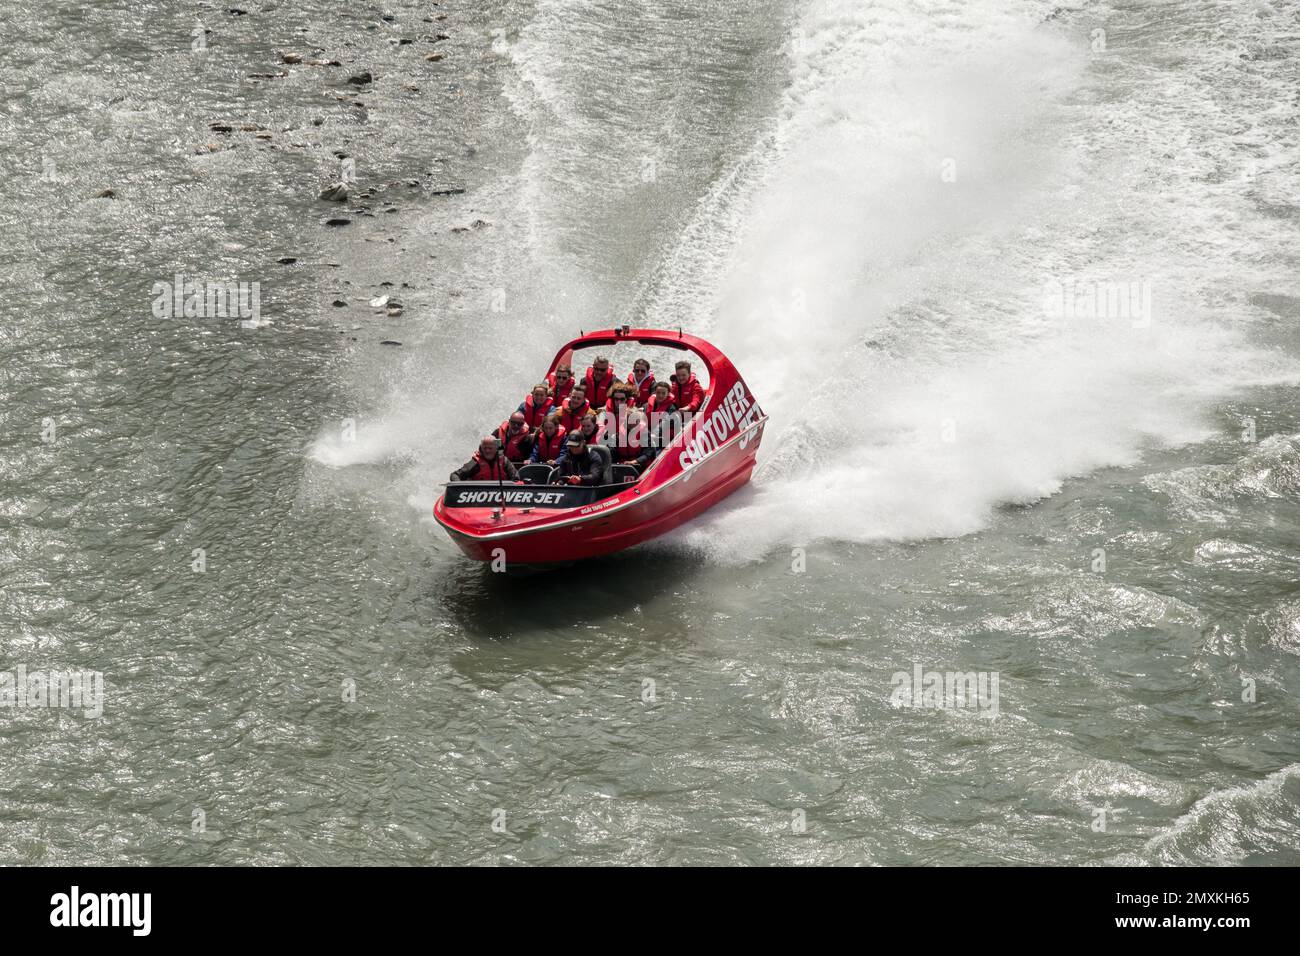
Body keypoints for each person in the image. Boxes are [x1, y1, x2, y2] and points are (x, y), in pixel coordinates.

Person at [450, 436, 519, 482]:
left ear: (496, 448)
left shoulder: (504, 461)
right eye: (485, 448)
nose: (487, 451)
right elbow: (455, 475)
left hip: (501, 497)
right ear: (481, 448)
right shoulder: (475, 463)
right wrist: (461, 488)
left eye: (490, 448)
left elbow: (516, 478)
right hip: (479, 499)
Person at [645, 379, 680, 447]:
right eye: (658, 392)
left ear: (668, 394)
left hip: (664, 440)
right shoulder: (647, 405)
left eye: (663, 393)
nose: (660, 395)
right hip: (650, 436)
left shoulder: (671, 408)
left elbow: (665, 422)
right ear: (655, 392)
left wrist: (654, 434)